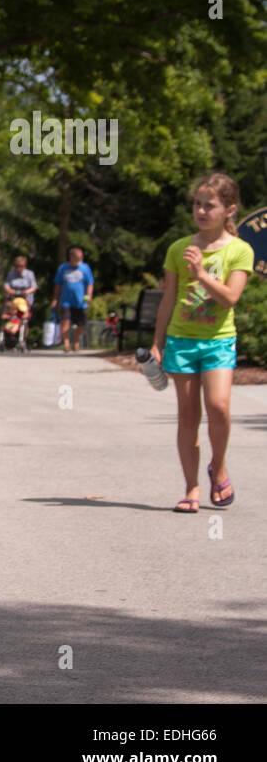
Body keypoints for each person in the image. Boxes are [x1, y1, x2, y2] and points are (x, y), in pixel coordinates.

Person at [149, 173, 252, 513]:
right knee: (187, 416)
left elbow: (230, 298)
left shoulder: (240, 250)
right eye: (197, 204)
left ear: (229, 209)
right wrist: (157, 342)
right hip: (181, 341)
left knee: (219, 407)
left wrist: (203, 274)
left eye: (210, 206)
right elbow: (168, 299)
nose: (202, 211)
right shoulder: (179, 248)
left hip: (218, 341)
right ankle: (191, 486)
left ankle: (218, 467)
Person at [50, 247, 94, 352]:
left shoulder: (85, 268)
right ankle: (66, 343)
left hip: (81, 301)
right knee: (65, 321)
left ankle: (76, 341)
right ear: (71, 257)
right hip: (66, 301)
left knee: (81, 324)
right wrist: (55, 299)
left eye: (81, 257)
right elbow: (58, 285)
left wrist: (89, 295)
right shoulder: (63, 268)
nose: (80, 259)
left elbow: (90, 283)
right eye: (78, 257)